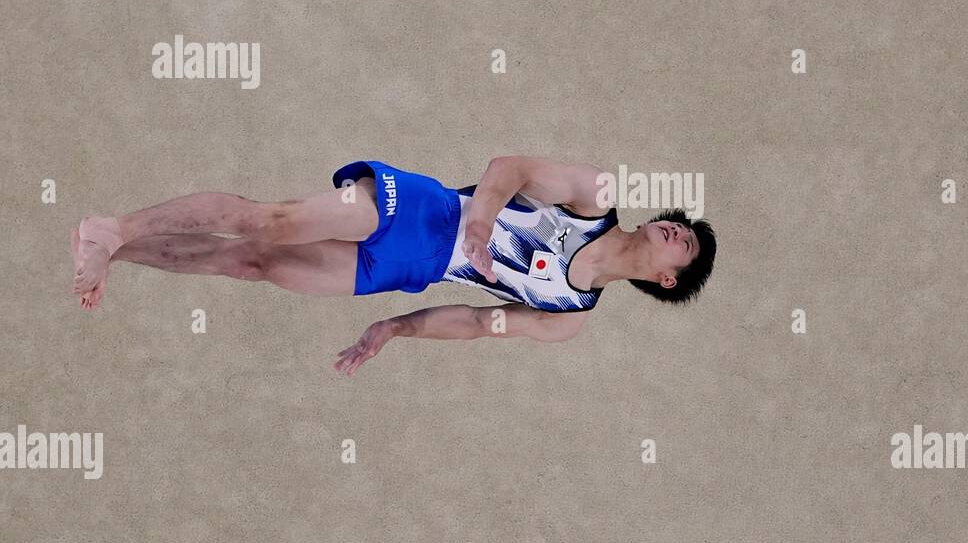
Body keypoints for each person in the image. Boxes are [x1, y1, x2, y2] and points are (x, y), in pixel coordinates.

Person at [69, 156, 717, 374]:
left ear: (666, 280)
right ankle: (113, 227)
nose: (674, 230)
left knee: (252, 263)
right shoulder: (595, 196)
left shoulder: (567, 315)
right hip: (423, 211)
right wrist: (485, 215)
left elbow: (474, 322)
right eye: (679, 225)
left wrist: (397, 330)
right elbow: (510, 169)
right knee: (276, 221)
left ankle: (119, 253)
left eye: (682, 245)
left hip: (411, 268)